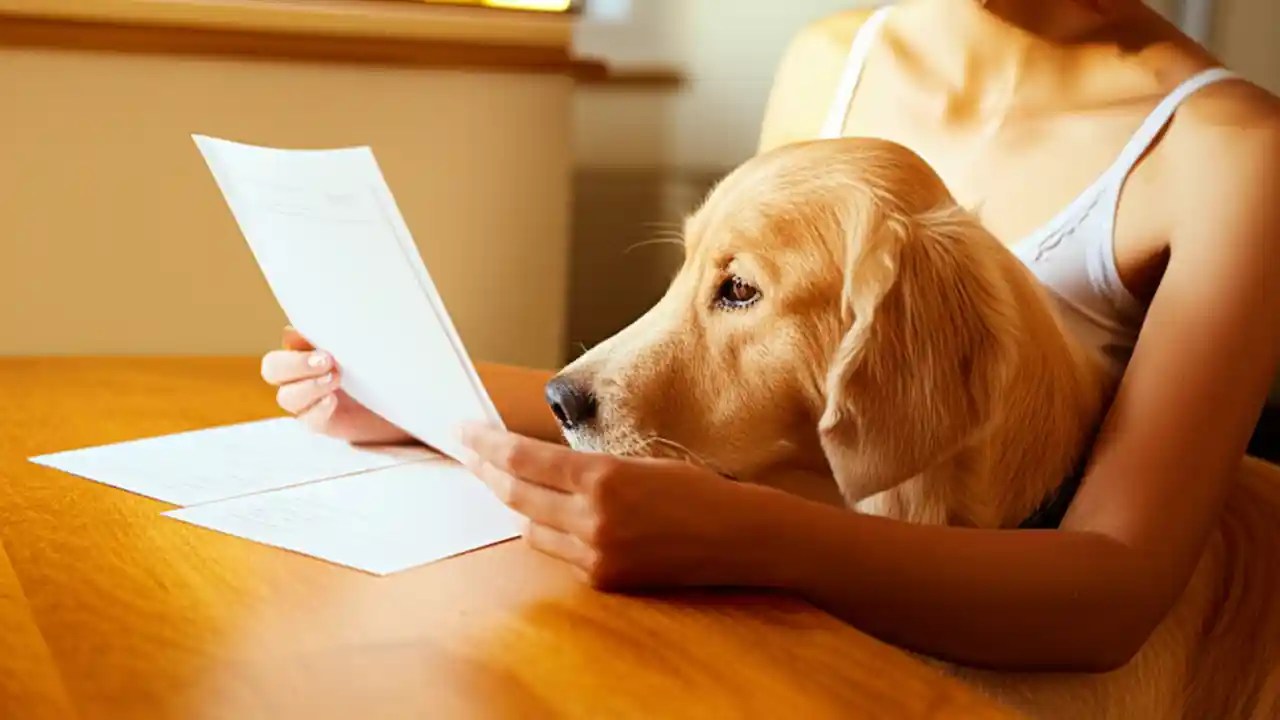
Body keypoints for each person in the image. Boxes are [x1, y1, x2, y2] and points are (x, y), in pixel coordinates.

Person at [259, 0, 1279, 672]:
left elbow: (1109, 592)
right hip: (800, 616)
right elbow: (730, 383)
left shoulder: (1230, 153)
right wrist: (423, 395)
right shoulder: (835, 59)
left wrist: (743, 536)